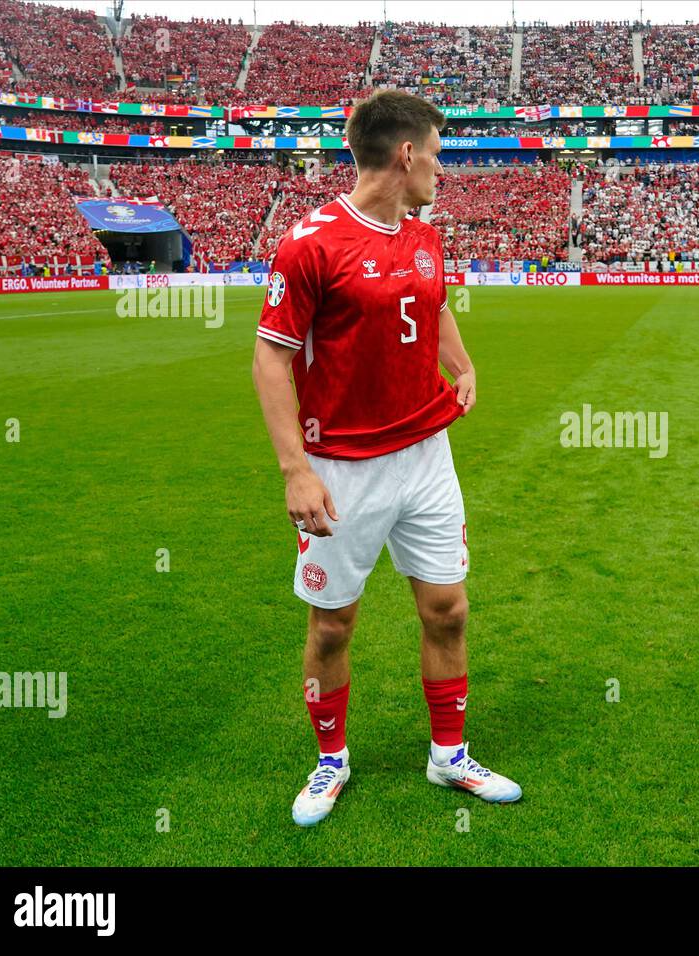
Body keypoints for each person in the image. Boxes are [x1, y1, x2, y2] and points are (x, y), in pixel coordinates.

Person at [252, 90, 522, 829]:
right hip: (342, 468)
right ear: (406, 155)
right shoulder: (310, 243)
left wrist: (460, 365)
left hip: (427, 455)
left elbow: (432, 307)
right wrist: (295, 470)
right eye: (436, 152)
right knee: (334, 623)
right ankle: (331, 759)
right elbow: (269, 362)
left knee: (448, 609)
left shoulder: (426, 236)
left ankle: (449, 754)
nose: (441, 166)